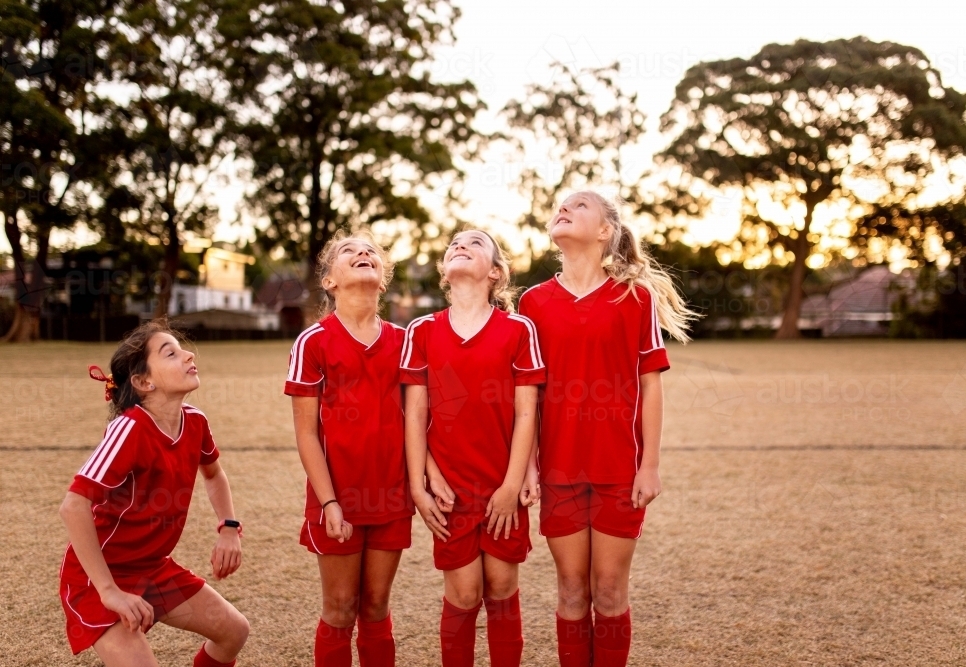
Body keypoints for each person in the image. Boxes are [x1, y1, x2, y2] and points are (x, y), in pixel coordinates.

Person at [517, 191, 696, 667]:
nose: (564, 209)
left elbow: (650, 386)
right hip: (559, 470)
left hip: (619, 469)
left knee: (610, 590)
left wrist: (650, 466)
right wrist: (529, 465)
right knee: (572, 591)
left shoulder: (633, 297)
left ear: (604, 231)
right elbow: (527, 395)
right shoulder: (532, 303)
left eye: (579, 206)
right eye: (560, 206)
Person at [58, 321, 250, 667]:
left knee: (235, 631)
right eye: (171, 353)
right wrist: (110, 592)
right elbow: (74, 506)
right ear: (144, 382)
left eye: (182, 349)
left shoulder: (195, 422)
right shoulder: (129, 429)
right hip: (98, 578)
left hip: (152, 568)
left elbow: (214, 474)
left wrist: (229, 527)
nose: (189, 354)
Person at [401, 229, 545, 667]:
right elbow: (414, 415)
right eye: (454, 244)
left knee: (501, 587)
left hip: (502, 482)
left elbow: (527, 414)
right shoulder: (421, 331)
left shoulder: (519, 329)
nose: (460, 246)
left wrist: (512, 483)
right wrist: (419, 485)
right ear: (444, 271)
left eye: (476, 243)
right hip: (450, 489)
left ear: (496, 273)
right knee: (464, 592)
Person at [285, 231, 414, 667]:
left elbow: (421, 421)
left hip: (392, 496)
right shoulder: (313, 342)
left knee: (376, 607)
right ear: (329, 282)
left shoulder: (405, 341)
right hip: (337, 499)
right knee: (340, 608)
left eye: (371, 252)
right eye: (349, 251)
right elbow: (306, 434)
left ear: (383, 280)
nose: (363, 253)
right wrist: (330, 501)